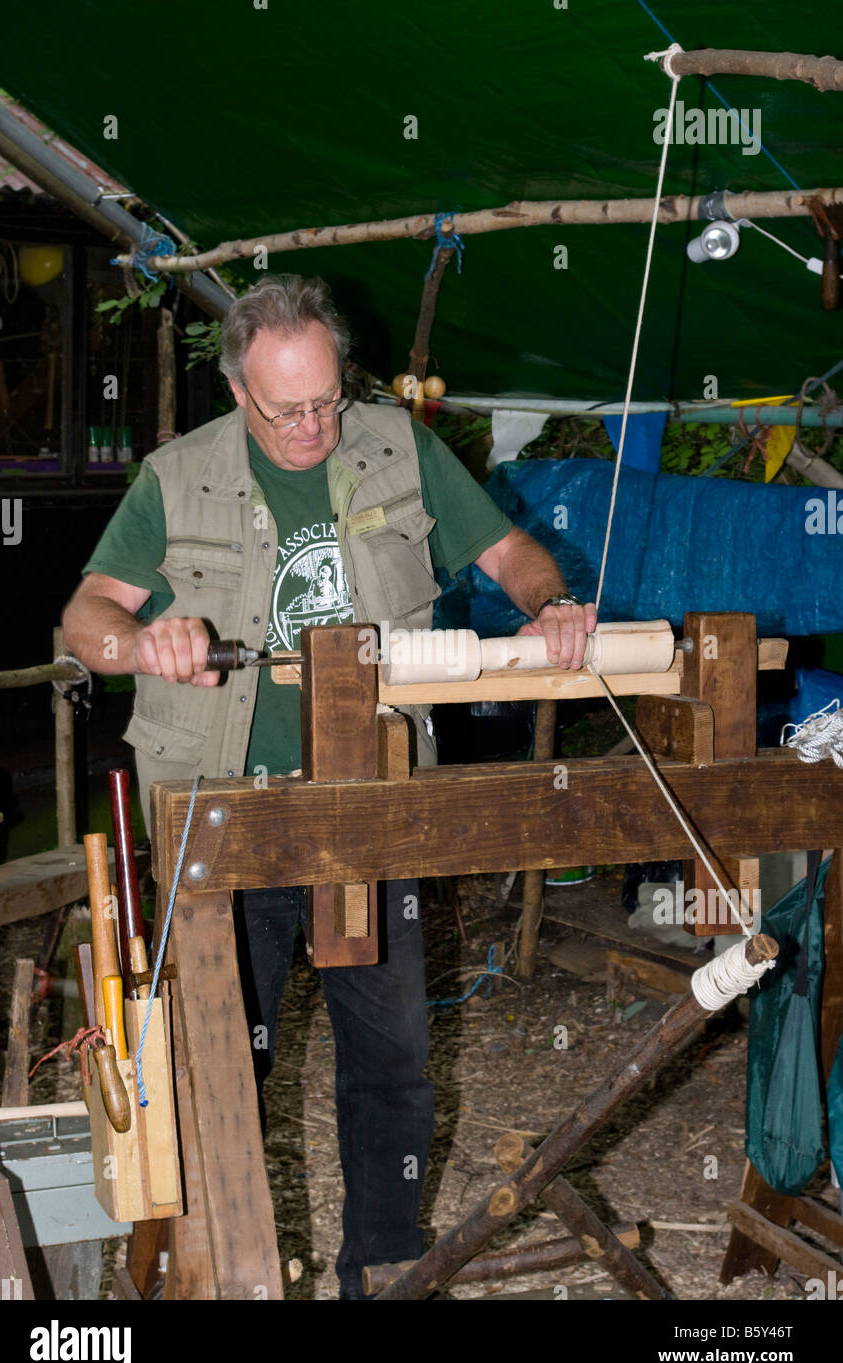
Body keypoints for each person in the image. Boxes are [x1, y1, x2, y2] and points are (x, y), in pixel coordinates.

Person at [62, 273, 597, 1299]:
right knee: (217, 1064)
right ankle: (208, 1269)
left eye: (325, 401)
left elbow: (509, 551)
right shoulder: (175, 478)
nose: (311, 427)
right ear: (237, 392)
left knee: (391, 1055)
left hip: (367, 802)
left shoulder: (396, 447)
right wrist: (143, 638)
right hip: (223, 814)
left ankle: (380, 1267)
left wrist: (550, 603)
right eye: (286, 409)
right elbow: (86, 617)